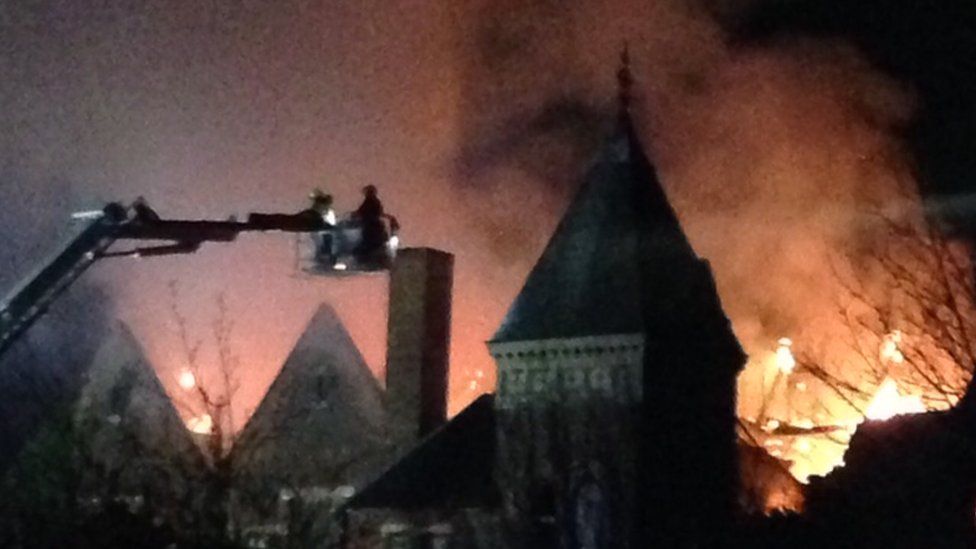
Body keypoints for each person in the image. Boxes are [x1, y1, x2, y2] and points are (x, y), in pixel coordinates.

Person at [352, 185, 389, 259]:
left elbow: (362, 211)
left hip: (370, 226)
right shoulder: (374, 201)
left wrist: (355, 214)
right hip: (372, 225)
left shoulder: (370, 201)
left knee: (364, 242)